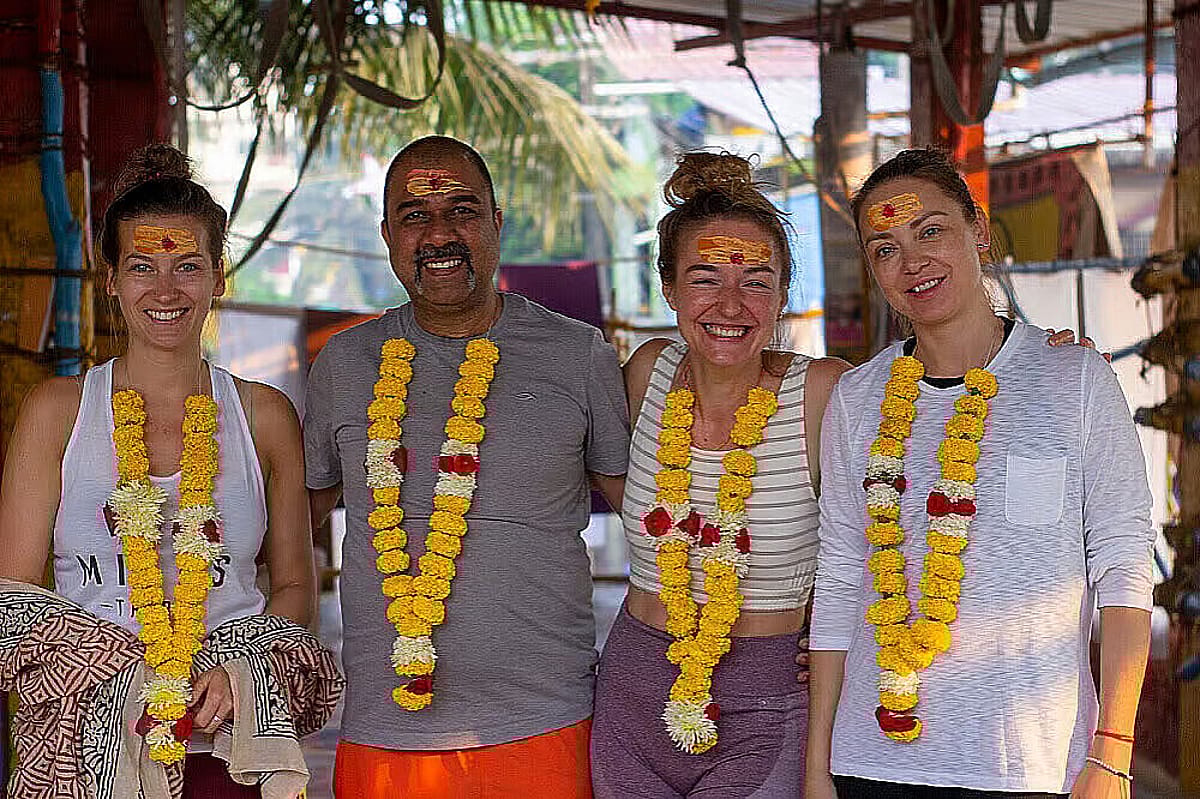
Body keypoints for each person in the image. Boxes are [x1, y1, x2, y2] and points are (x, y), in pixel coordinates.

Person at [807, 147, 1154, 799]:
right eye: (884, 248)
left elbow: (1125, 567)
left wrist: (1112, 753)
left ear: (980, 231)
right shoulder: (857, 399)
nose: (912, 262)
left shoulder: (1073, 378)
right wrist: (818, 766)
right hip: (874, 761)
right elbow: (841, 575)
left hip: (1033, 763)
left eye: (930, 230)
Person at [0, 144, 341, 798]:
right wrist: (117, 671)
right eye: (141, 267)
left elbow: (297, 582)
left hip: (231, 744)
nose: (164, 290)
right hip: (92, 747)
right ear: (111, 279)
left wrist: (243, 663)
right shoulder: (56, 411)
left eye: (187, 266)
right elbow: (13, 599)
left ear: (218, 275)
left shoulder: (263, 415)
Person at [304, 135, 629, 798]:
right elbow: (285, 533)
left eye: (462, 209)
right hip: (387, 734)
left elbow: (653, 531)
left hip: (548, 724)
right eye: (415, 215)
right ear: (388, 233)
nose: (440, 233)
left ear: (497, 221)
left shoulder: (578, 353)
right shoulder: (343, 364)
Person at [590, 152, 851, 798]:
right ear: (671, 289)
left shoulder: (823, 392)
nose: (731, 304)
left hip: (764, 705)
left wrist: (1034, 357)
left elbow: (914, 478)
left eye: (757, 281)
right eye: (705, 278)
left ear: (785, 293)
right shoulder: (647, 372)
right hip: (630, 695)